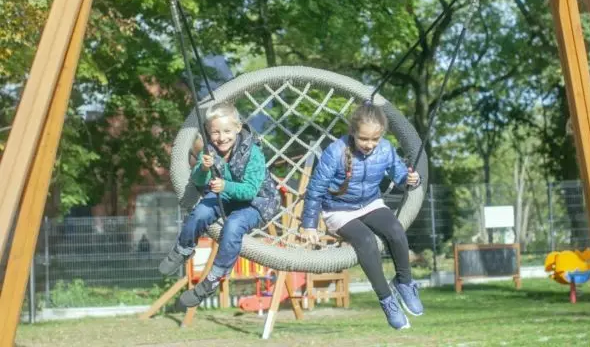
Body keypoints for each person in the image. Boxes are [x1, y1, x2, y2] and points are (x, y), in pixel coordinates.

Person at [301, 102, 423, 330]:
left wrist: (409, 179)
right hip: (338, 210)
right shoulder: (335, 151)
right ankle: (387, 299)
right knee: (366, 241)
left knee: (395, 230)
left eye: (374, 139)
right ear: (353, 133)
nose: (369, 145)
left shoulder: (385, 149)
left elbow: (398, 173)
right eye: (363, 139)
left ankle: (404, 282)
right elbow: (315, 189)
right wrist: (309, 225)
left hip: (370, 203)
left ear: (381, 136)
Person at [159, 102, 280, 307]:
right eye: (215, 132)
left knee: (232, 227)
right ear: (208, 132)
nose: (221, 138)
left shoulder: (254, 154)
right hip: (226, 196)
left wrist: (225, 186)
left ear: (238, 128)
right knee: (200, 212)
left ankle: (212, 280)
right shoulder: (209, 150)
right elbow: (198, 181)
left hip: (257, 202)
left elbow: (250, 190)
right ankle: (184, 248)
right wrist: (204, 169)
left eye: (226, 131)